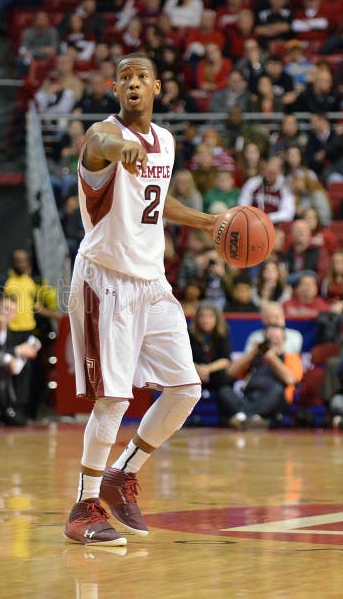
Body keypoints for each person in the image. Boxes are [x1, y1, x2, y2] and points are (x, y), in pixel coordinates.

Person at [63, 53, 218, 547]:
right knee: (112, 401)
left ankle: (122, 472)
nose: (133, 83)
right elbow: (98, 145)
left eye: (141, 77)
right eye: (125, 78)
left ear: (157, 87)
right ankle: (84, 506)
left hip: (152, 281)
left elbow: (156, 196)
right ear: (115, 89)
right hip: (105, 279)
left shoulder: (166, 141)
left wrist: (205, 222)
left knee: (186, 389)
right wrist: (121, 148)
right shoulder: (103, 135)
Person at [222, 324, 303, 428]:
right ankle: (254, 417)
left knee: (277, 389)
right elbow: (230, 373)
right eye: (270, 339)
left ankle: (242, 416)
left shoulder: (291, 357)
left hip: (272, 398)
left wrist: (272, 358)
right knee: (224, 391)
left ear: (283, 340)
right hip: (249, 396)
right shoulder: (255, 357)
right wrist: (251, 354)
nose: (273, 341)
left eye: (276, 338)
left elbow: (290, 380)